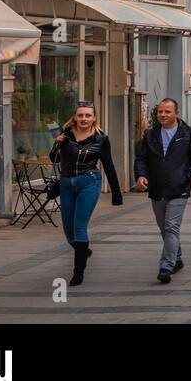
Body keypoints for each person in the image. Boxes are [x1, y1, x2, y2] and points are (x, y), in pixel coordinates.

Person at [49, 101, 122, 286]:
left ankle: (78, 273)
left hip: (88, 181)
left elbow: (109, 165)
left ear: (94, 118)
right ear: (75, 117)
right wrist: (56, 144)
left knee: (79, 226)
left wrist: (116, 193)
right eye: (80, 115)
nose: (84, 119)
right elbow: (54, 159)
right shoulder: (65, 135)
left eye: (88, 115)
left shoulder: (101, 139)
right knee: (68, 231)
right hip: (66, 183)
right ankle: (83, 251)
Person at [134, 98, 191, 284]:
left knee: (171, 226)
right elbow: (141, 158)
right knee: (163, 227)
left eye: (167, 112)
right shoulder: (150, 135)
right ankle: (177, 257)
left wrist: (186, 177)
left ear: (176, 113)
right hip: (156, 188)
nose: (163, 115)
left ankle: (166, 266)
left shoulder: (188, 134)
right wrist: (141, 176)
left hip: (179, 189)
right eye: (160, 112)